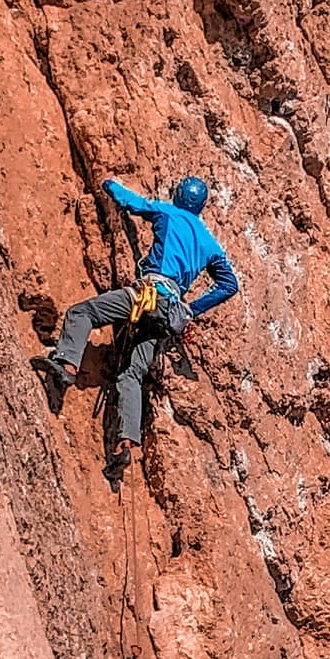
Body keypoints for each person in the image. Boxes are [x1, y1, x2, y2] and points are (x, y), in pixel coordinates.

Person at [33, 176, 239, 478]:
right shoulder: (209, 242)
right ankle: (126, 443)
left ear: (179, 195)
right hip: (170, 315)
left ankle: (67, 366)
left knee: (83, 313)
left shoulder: (169, 213)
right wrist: (191, 310)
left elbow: (134, 204)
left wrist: (109, 185)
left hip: (148, 295)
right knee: (132, 374)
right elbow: (229, 285)